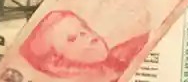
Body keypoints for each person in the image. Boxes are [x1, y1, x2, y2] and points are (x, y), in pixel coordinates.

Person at [14, 9, 147, 81]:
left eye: (84, 27)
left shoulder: (126, 50)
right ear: (59, 64)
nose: (85, 34)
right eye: (72, 38)